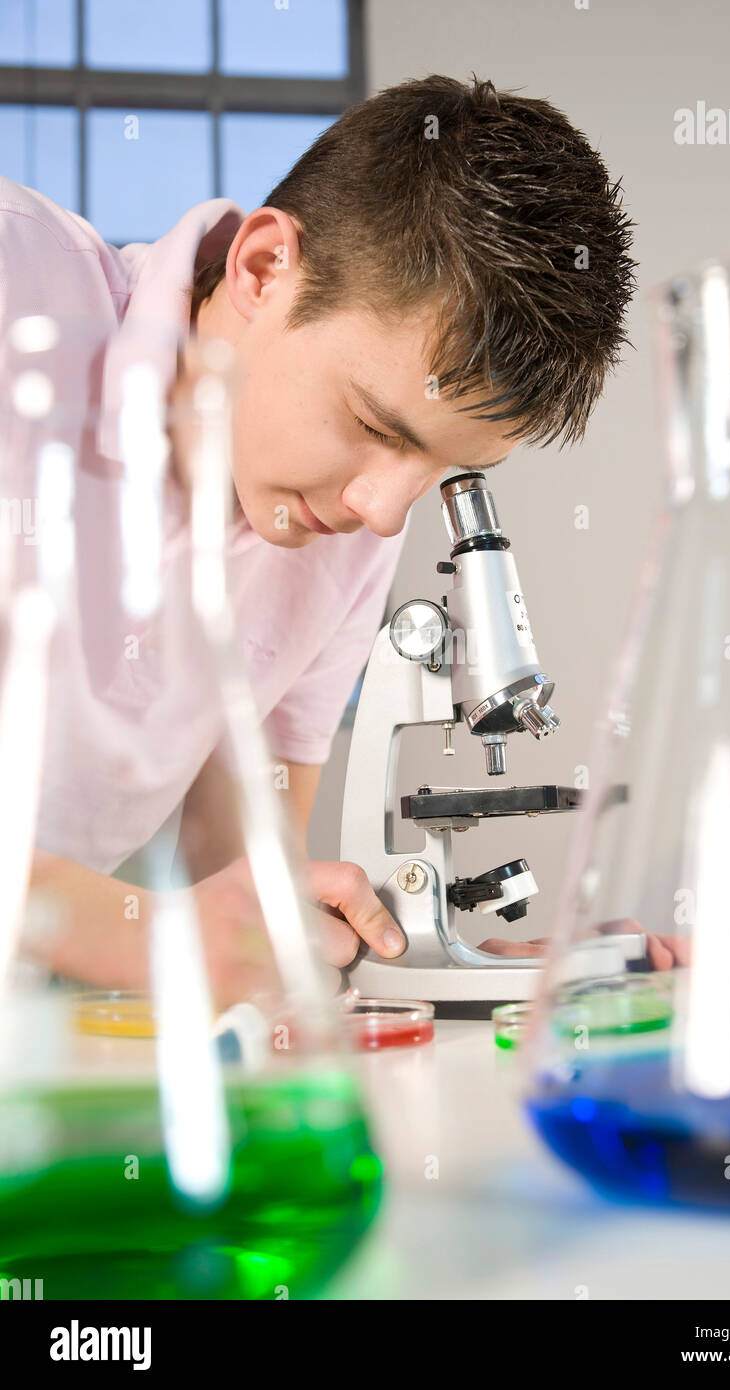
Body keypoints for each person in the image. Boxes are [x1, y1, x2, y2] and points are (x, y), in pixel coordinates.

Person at [0, 75, 638, 1005]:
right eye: (378, 426)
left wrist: (428, 959)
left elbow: (236, 875)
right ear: (263, 267)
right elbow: (175, 933)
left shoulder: (343, 520)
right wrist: (143, 935)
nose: (383, 513)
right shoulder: (19, 283)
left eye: (434, 471)